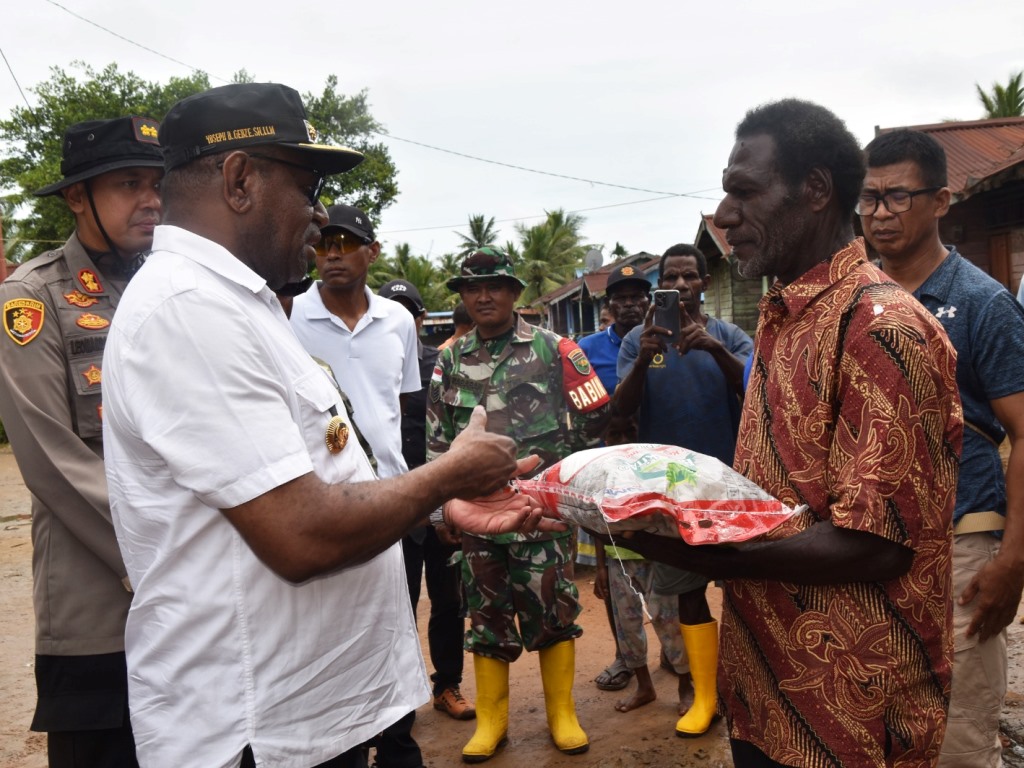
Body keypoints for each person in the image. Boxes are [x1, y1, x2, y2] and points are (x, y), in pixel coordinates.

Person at [101, 82, 557, 768]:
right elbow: (301, 534)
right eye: (308, 188)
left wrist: (447, 498)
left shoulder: (242, 302)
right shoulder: (189, 309)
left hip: (302, 716)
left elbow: (327, 475)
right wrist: (448, 474)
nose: (318, 220)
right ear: (240, 178)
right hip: (255, 730)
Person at [602, 99, 962, 767]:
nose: (726, 216)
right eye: (724, 191)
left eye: (744, 191)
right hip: (763, 689)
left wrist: (697, 553)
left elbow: (877, 547)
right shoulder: (784, 316)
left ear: (816, 190)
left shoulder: (880, 328)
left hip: (847, 715)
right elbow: (780, 501)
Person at [0, 115, 163, 768]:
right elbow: (52, 461)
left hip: (187, 599)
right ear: (77, 196)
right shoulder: (32, 297)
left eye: (157, 184)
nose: (151, 200)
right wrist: (168, 545)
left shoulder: (169, 286)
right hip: (100, 601)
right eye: (129, 184)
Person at [861, 128, 1024, 768]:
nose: (879, 213)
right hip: (863, 547)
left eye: (898, 197)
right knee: (874, 730)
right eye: (869, 198)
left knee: (954, 737)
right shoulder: (852, 300)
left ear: (942, 201)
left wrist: (1013, 562)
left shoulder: (981, 304)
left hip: (958, 543)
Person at [427, 247, 611, 762]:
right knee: (484, 618)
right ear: (462, 297)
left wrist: (564, 484)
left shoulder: (555, 349)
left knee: (554, 611)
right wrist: (441, 509)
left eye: (495, 286)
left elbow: (597, 417)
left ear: (514, 293)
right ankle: (492, 723)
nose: (483, 296)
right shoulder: (450, 359)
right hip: (479, 516)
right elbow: (439, 441)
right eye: (472, 288)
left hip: (540, 511)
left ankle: (562, 715)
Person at [289, 206, 424, 768]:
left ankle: (396, 745)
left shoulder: (398, 321)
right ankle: (342, 745)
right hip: (327, 504)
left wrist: (422, 497)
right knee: (334, 631)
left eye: (347, 243)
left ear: (371, 252)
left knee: (397, 626)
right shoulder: (289, 314)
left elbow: (409, 413)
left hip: (395, 498)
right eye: (324, 243)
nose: (333, 253)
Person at [613, 243, 752, 737]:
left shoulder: (730, 335)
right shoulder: (637, 341)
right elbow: (620, 412)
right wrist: (644, 357)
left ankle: (748, 689)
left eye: (690, 276)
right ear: (662, 288)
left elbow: (758, 390)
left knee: (746, 590)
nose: (683, 285)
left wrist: (712, 348)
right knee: (685, 594)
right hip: (671, 489)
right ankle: (698, 691)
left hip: (730, 486)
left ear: (705, 283)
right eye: (672, 278)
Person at [379, 278, 476, 723]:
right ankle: (396, 705)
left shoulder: (441, 367)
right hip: (386, 507)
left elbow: (454, 440)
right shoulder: (368, 369)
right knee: (393, 606)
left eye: (407, 312)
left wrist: (448, 504)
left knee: (447, 600)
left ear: (418, 320)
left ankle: (447, 685)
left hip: (437, 504)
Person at [579, 263, 652, 693]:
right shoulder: (587, 349)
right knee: (615, 564)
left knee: (665, 569)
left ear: (647, 301)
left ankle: (676, 658)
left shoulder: (663, 339)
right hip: (608, 468)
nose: (629, 304)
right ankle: (626, 657)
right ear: (609, 306)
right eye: (620, 298)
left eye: (636, 297)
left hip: (655, 463)